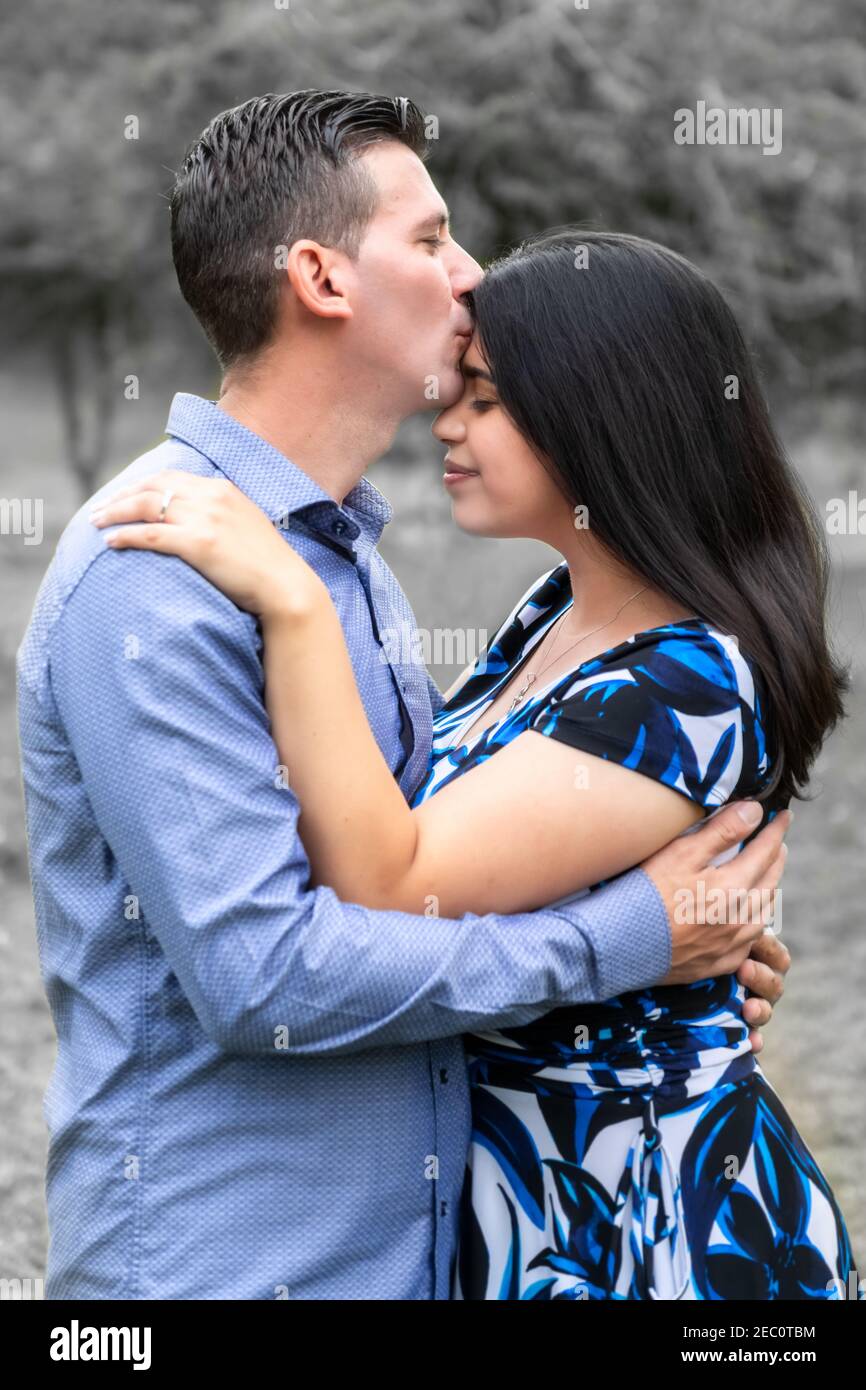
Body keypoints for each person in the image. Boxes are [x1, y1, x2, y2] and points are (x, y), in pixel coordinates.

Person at [18, 91, 788, 1302]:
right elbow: (268, 975)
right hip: (228, 1270)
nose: (469, 274)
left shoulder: (337, 561)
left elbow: (434, 855)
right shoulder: (156, 571)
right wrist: (626, 938)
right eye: (429, 240)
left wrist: (683, 964)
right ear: (320, 277)